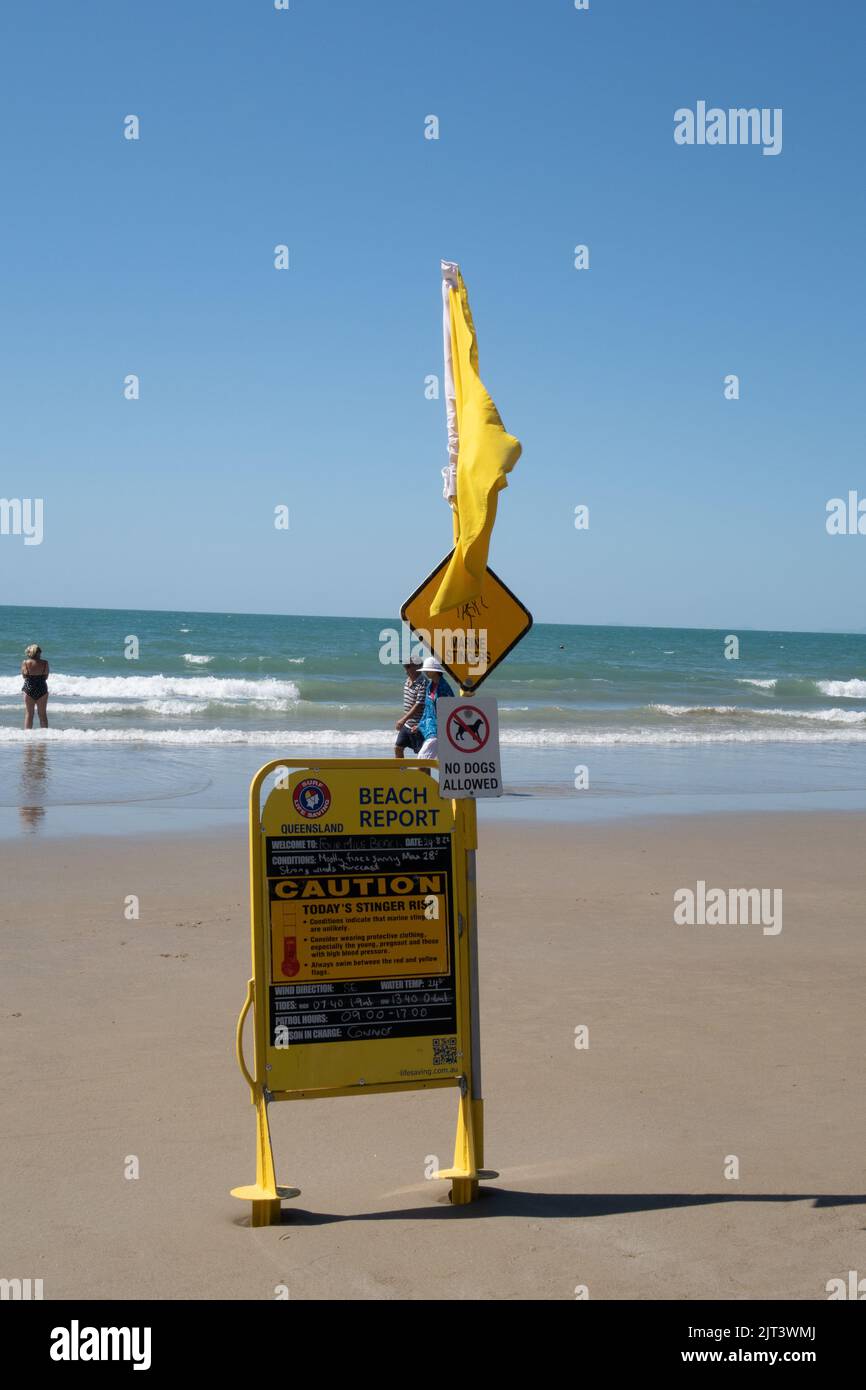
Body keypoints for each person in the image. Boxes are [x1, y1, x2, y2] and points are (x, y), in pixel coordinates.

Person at [416, 655, 454, 760]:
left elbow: (450, 710)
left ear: (435, 671)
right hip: (430, 729)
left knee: (422, 759)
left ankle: (420, 777)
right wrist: (420, 724)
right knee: (443, 762)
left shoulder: (444, 688)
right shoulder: (430, 686)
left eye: (428, 670)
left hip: (438, 731)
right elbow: (427, 709)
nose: (425, 672)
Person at [394, 660, 426, 758]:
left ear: (418, 667)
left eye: (408, 666)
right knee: (398, 748)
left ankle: (425, 774)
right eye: (404, 666)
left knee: (422, 756)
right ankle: (402, 772)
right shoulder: (408, 680)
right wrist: (405, 721)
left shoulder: (423, 683)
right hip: (407, 724)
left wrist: (403, 720)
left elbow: (419, 705)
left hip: (418, 726)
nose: (405, 670)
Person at [21, 644, 50, 730]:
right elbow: (46, 677)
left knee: (29, 714)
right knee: (42, 714)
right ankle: (45, 735)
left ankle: (27, 736)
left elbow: (24, 676)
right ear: (38, 653)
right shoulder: (45, 663)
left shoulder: (25, 663)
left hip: (28, 688)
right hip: (42, 688)